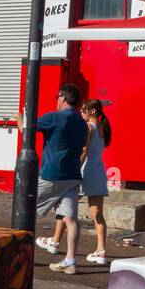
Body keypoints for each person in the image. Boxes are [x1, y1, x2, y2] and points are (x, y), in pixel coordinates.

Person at [41, 99, 111, 265]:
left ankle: (55, 242)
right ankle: (101, 251)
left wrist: (73, 168)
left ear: (93, 111)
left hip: (84, 170)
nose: (81, 113)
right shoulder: (102, 127)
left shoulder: (88, 127)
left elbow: (84, 150)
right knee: (97, 214)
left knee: (66, 205)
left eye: (84, 110)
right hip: (98, 171)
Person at [35, 84, 89, 275]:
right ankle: (70, 261)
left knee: (23, 207)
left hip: (52, 174)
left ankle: (15, 253)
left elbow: (27, 130)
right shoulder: (83, 124)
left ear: (63, 98)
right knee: (71, 219)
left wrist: (18, 119)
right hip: (73, 176)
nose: (56, 100)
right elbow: (83, 147)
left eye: (57, 96)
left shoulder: (55, 117)